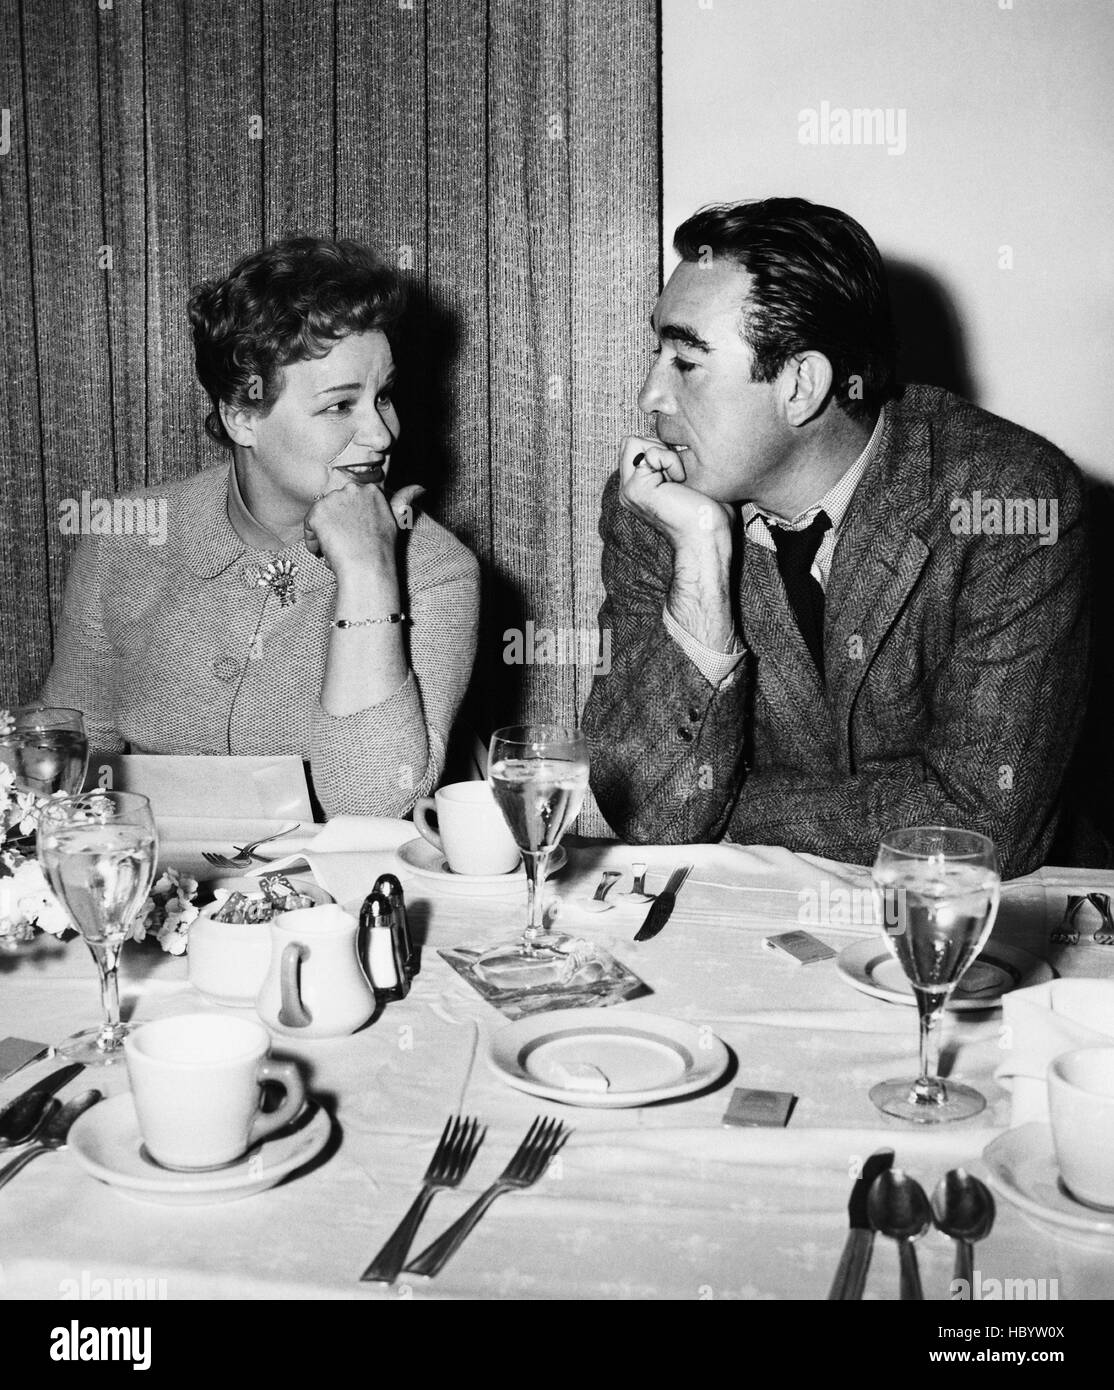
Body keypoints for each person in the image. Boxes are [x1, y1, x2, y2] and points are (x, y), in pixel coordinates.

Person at [582, 198, 1089, 878]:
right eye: (657, 351)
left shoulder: (1010, 501)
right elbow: (641, 807)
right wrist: (701, 556)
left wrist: (717, 800)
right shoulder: (658, 507)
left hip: (996, 926)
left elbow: (982, 826)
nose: (650, 396)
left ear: (801, 386)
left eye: (687, 361)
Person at [40, 236, 479, 817]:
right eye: (340, 406)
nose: (381, 434)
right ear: (242, 417)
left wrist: (370, 569)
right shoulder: (125, 539)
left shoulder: (436, 572)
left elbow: (370, 800)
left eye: (384, 396)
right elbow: (63, 773)